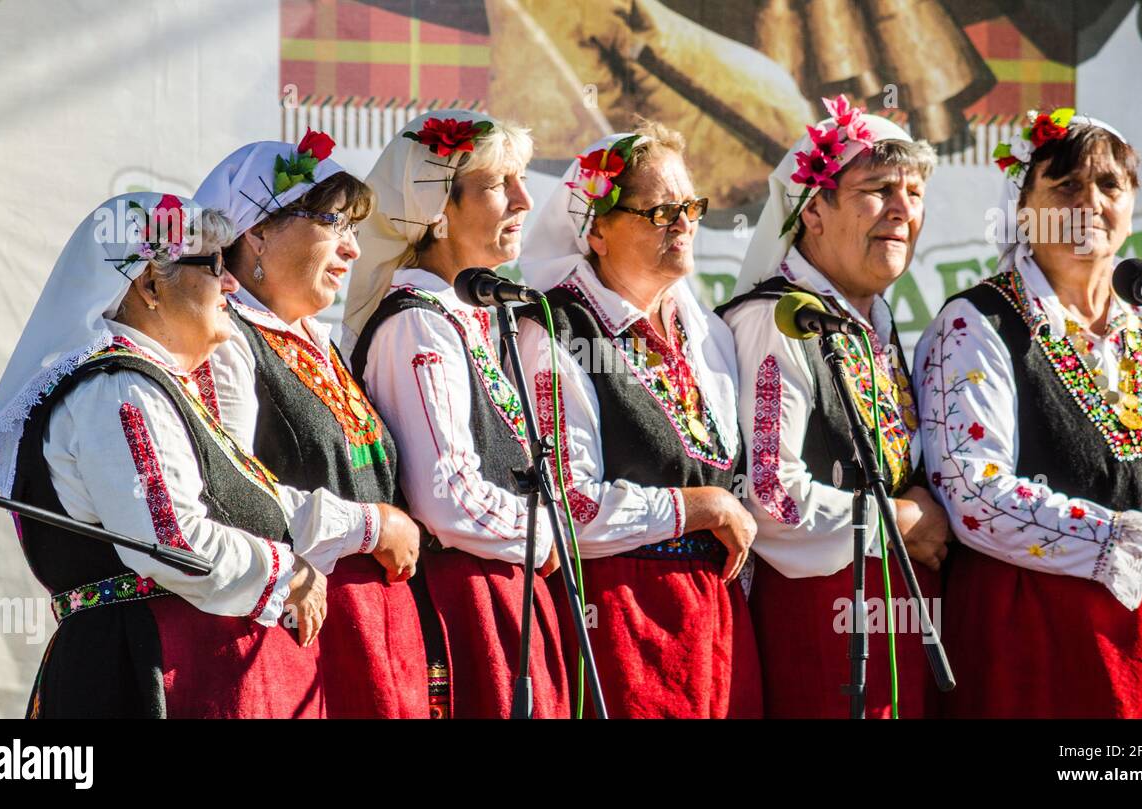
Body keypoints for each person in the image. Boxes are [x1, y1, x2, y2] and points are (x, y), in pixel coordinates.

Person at [0, 193, 374, 717]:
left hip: (178, 661)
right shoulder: (119, 388)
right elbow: (172, 541)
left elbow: (250, 500)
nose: (231, 282)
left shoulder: (159, 386)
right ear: (148, 284)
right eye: (214, 265)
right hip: (144, 669)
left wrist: (364, 526)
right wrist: (289, 573)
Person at [915, 109, 1142, 717]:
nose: (1090, 203)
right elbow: (975, 494)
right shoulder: (975, 324)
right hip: (1034, 634)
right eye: (1065, 184)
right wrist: (1127, 538)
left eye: (1109, 186)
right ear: (1023, 208)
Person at [517, 123, 761, 718]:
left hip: (715, 624)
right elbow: (569, 508)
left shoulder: (709, 334)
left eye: (689, 207)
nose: (682, 223)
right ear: (595, 229)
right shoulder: (556, 330)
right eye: (657, 211)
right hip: (621, 620)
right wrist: (702, 507)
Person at [719, 96, 950, 718]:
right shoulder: (777, 319)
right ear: (813, 211)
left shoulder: (871, 320)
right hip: (821, 626)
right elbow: (770, 494)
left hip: (894, 620)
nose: (903, 210)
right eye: (877, 190)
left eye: (914, 193)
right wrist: (901, 520)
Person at [342, 111, 569, 718]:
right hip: (462, 599)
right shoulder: (416, 321)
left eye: (520, 180)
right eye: (500, 185)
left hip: (502, 586)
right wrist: (544, 532)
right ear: (438, 207)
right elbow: (445, 495)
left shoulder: (465, 315)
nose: (524, 200)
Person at [194, 130, 427, 718]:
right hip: (302, 631)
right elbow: (231, 495)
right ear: (258, 230)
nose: (351, 249)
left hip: (374, 634)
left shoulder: (323, 345)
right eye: (333, 222)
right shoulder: (226, 342)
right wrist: (371, 525)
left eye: (354, 229)